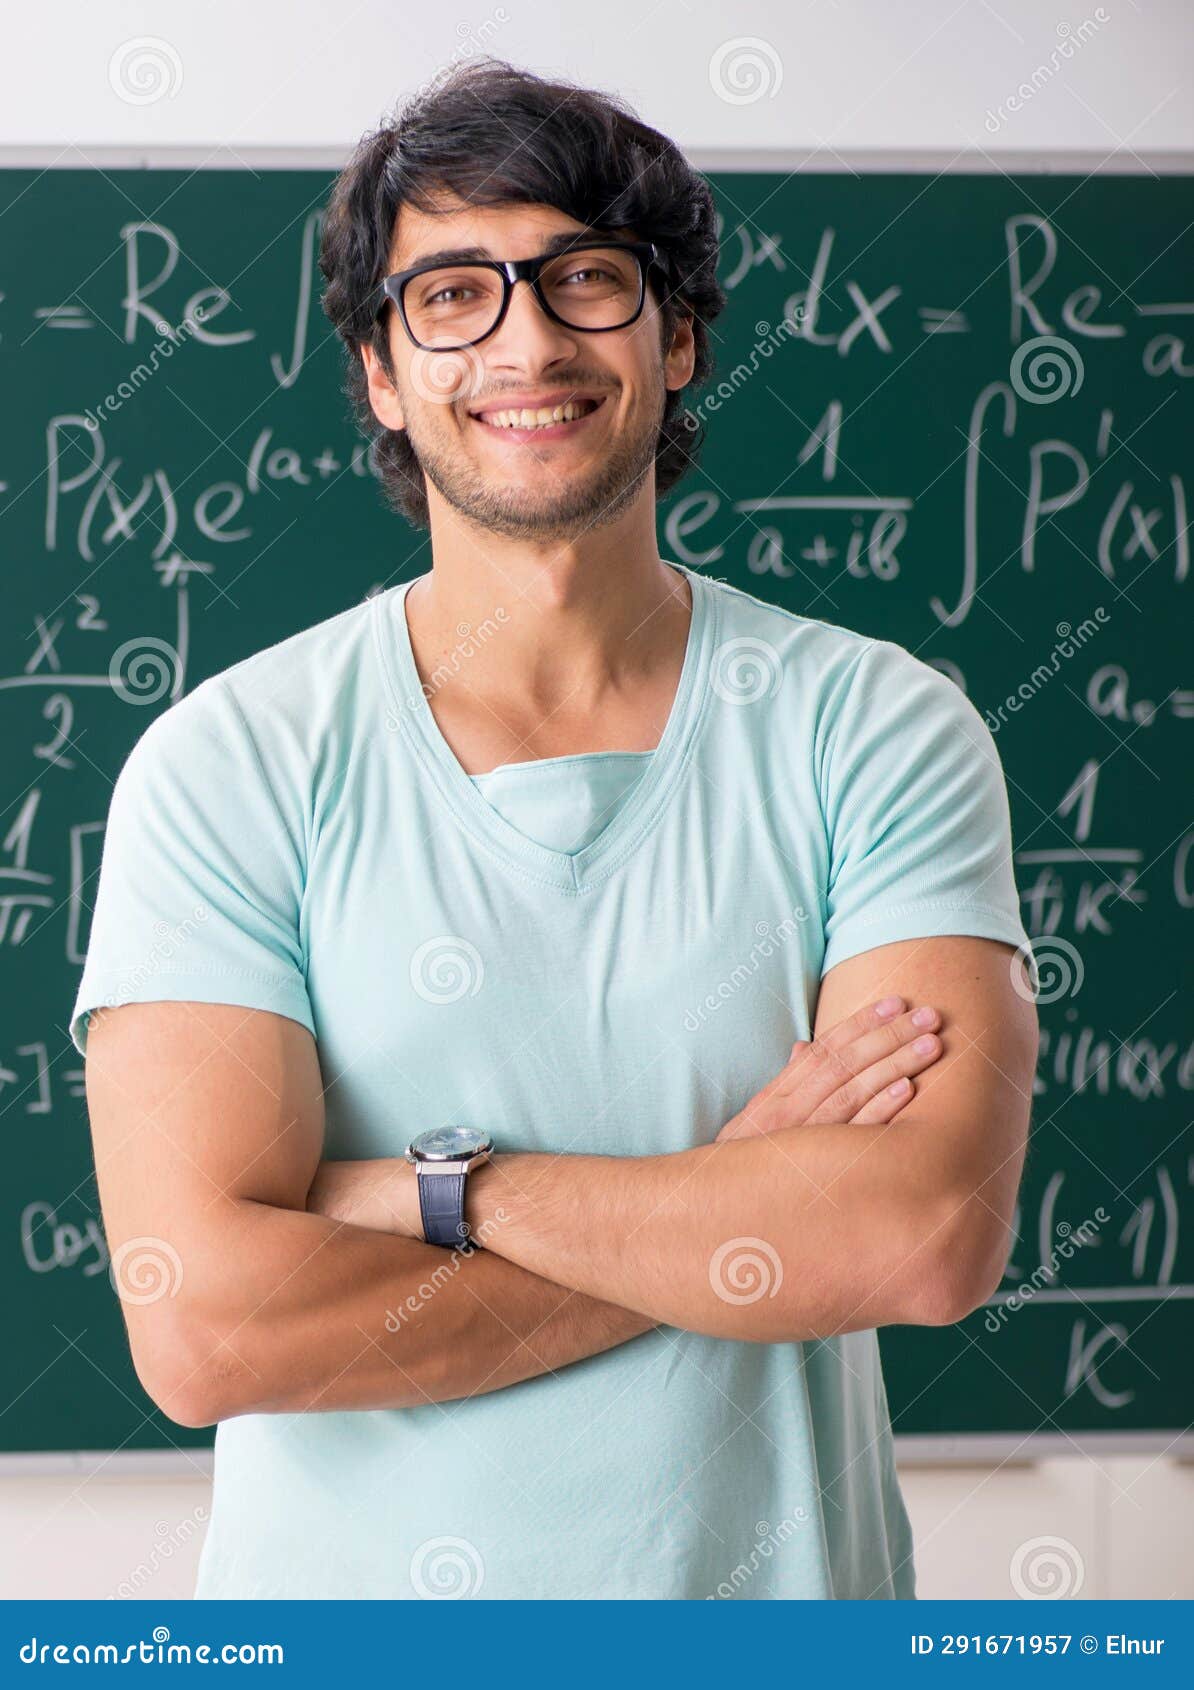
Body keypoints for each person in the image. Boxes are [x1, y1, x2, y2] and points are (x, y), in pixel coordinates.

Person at [72, 59, 1038, 1600]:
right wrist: (733, 1205)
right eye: (452, 292)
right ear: (381, 371)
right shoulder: (227, 766)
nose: (525, 339)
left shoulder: (873, 726)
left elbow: (917, 1235)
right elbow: (207, 1330)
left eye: (584, 278)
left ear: (678, 334)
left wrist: (449, 1189)